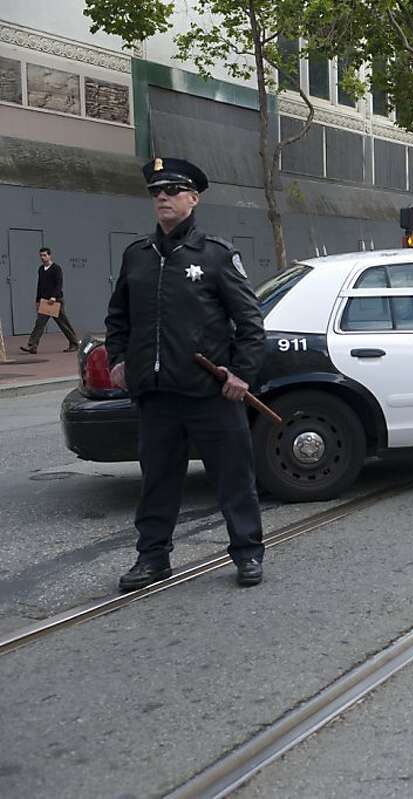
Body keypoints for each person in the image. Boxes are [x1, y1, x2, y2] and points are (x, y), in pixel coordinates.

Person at [105, 157, 266, 591]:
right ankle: (152, 558)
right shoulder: (137, 256)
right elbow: (118, 316)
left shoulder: (214, 255)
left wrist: (240, 374)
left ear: (193, 199)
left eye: (172, 191)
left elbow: (250, 323)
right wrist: (119, 359)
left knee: (233, 478)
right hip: (156, 395)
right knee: (156, 482)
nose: (162, 198)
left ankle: (248, 554)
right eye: (156, 192)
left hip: (209, 392)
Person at [19, 247, 81, 355]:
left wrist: (54, 296)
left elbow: (59, 284)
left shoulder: (56, 268)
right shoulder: (41, 269)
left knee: (63, 324)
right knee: (39, 323)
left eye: (44, 255)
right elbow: (40, 285)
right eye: (41, 255)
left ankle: (74, 343)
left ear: (49, 255)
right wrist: (37, 300)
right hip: (45, 302)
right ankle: (32, 346)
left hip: (55, 301)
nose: (42, 258)